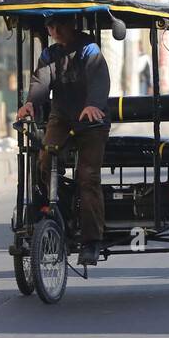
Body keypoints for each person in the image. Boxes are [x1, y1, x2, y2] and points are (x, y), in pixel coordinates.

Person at [15, 17, 111, 265]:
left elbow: (100, 80)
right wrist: (30, 103)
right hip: (62, 118)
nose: (54, 31)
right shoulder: (49, 54)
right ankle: (61, 212)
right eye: (50, 27)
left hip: (92, 121)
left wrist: (92, 105)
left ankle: (91, 241)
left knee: (88, 176)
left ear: (72, 25)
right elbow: (40, 83)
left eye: (58, 26)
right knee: (45, 161)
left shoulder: (90, 49)